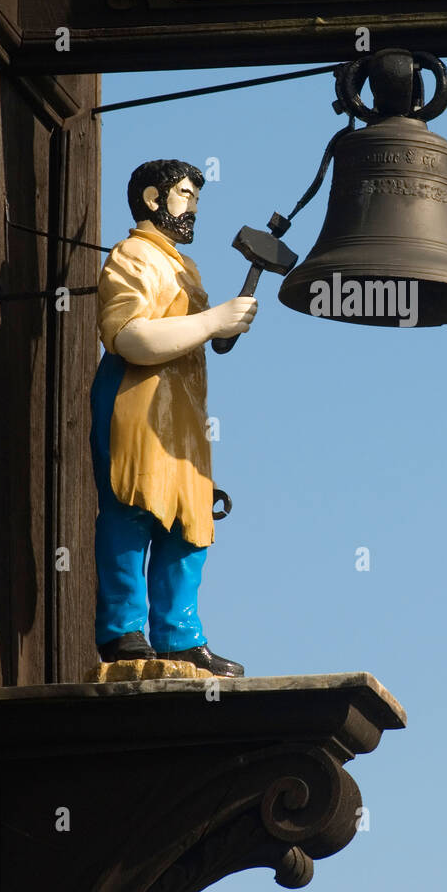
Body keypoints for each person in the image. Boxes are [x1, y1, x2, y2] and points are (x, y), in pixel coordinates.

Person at [89, 158, 256, 676]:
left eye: (195, 200)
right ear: (152, 199)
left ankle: (180, 635)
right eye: (185, 196)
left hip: (182, 414)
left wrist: (223, 324)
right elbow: (130, 337)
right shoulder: (133, 255)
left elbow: (198, 335)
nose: (192, 209)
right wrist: (212, 321)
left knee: (190, 521)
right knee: (133, 510)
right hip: (135, 406)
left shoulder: (184, 266)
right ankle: (122, 631)